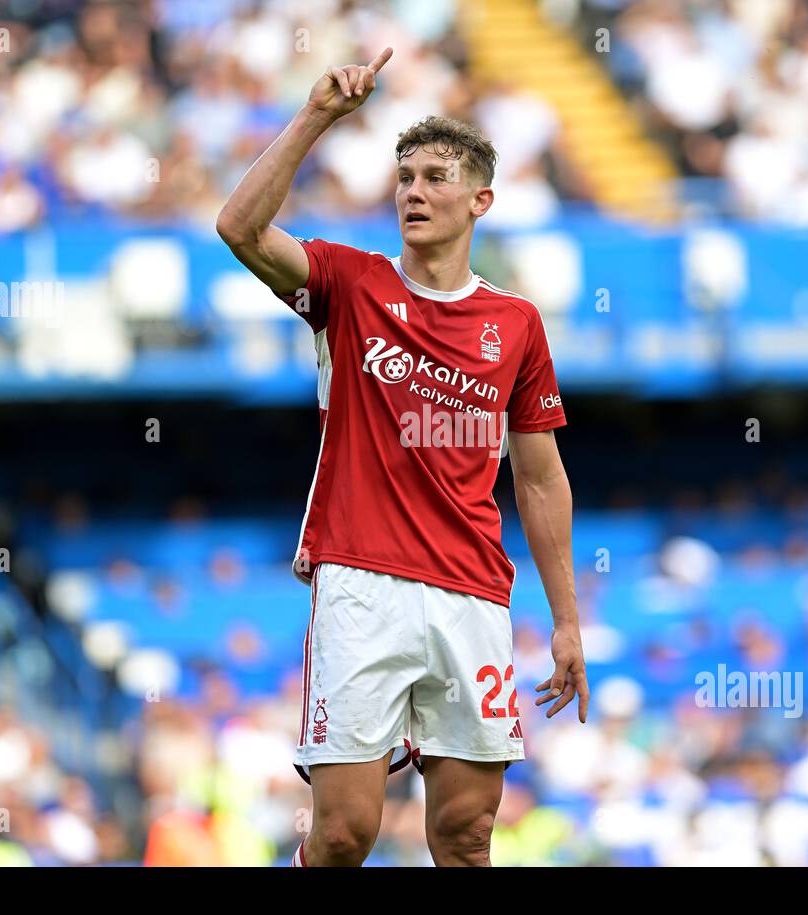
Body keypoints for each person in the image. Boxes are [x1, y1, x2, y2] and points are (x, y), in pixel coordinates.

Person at [216, 47, 588, 867]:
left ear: (480, 199)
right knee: (344, 835)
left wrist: (565, 621)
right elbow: (238, 228)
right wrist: (318, 115)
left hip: (473, 596)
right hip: (361, 583)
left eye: (434, 178)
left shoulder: (517, 324)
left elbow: (539, 476)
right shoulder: (350, 285)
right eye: (405, 177)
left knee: (466, 836)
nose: (414, 192)